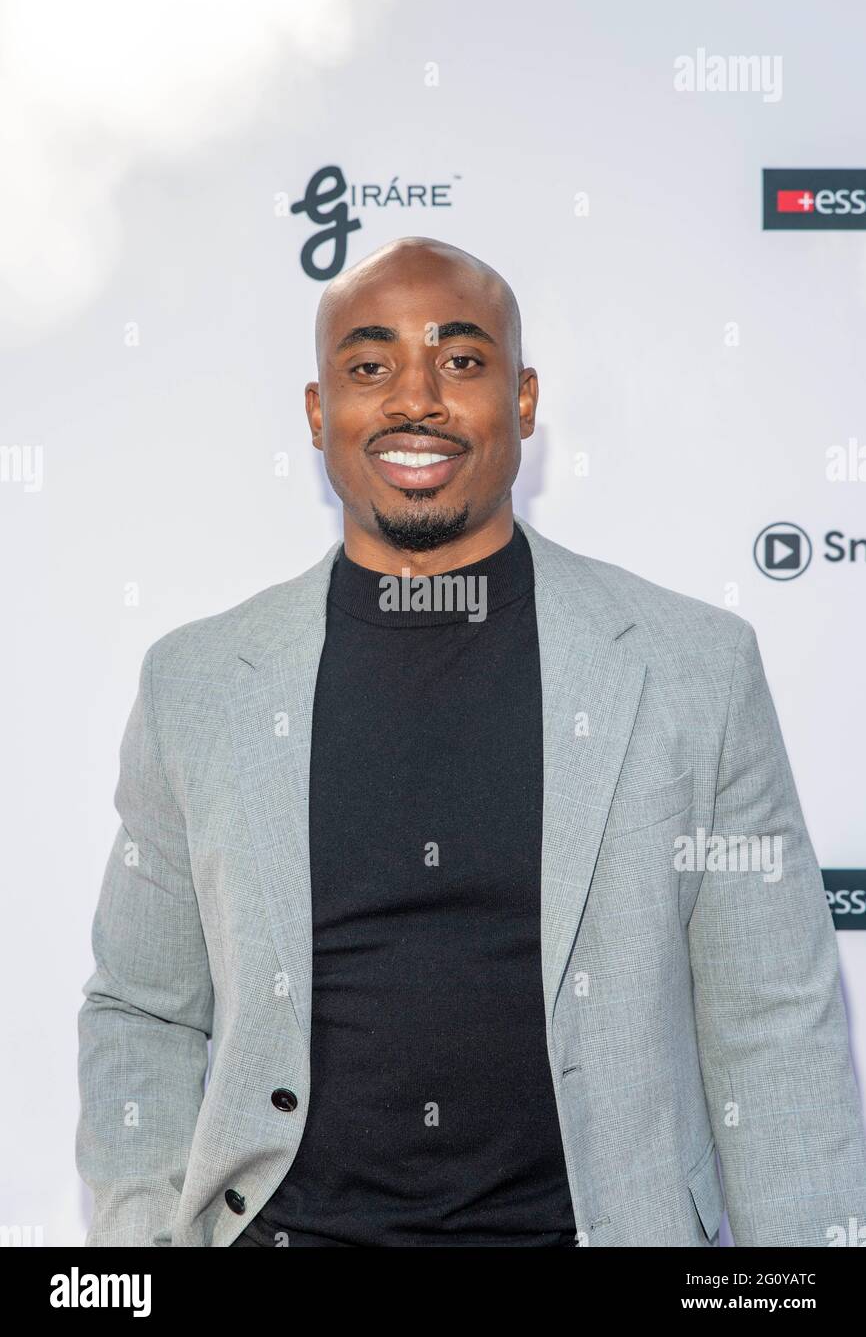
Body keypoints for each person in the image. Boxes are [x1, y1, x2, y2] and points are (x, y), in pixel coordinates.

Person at [76, 236, 866, 1247]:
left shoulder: (690, 667)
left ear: (523, 401)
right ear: (318, 414)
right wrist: (144, 1239)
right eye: (368, 367)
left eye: (460, 360)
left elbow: (772, 1027)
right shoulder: (197, 685)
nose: (415, 399)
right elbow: (143, 1009)